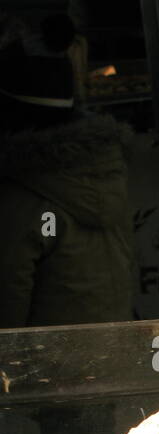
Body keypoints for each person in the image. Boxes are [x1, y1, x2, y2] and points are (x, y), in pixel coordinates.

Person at [0, 13, 133, 328]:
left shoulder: (23, 199)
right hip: (112, 355)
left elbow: (7, 319)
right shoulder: (105, 175)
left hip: (48, 369)